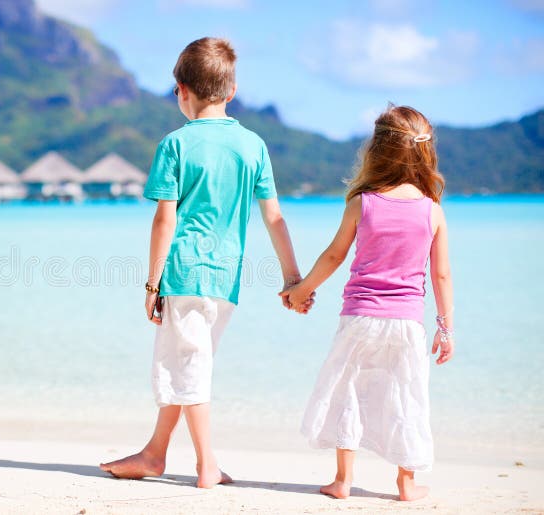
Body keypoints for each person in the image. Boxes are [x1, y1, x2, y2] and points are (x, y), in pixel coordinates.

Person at [100, 37, 308, 488]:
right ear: (231, 92)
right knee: (187, 362)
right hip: (226, 280)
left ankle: (206, 464)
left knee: (189, 366)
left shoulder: (175, 145)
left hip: (185, 272)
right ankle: (154, 453)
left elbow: (164, 219)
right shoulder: (254, 146)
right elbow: (274, 216)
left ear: (181, 90)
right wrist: (293, 278)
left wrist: (153, 283)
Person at [281, 105, 455, 501]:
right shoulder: (433, 211)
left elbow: (333, 256)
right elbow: (441, 275)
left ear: (377, 150)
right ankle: (406, 483)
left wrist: (301, 289)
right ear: (424, 152)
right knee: (407, 396)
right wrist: (446, 328)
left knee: (348, 391)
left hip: (360, 316)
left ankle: (342, 480)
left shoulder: (363, 202)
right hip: (407, 323)